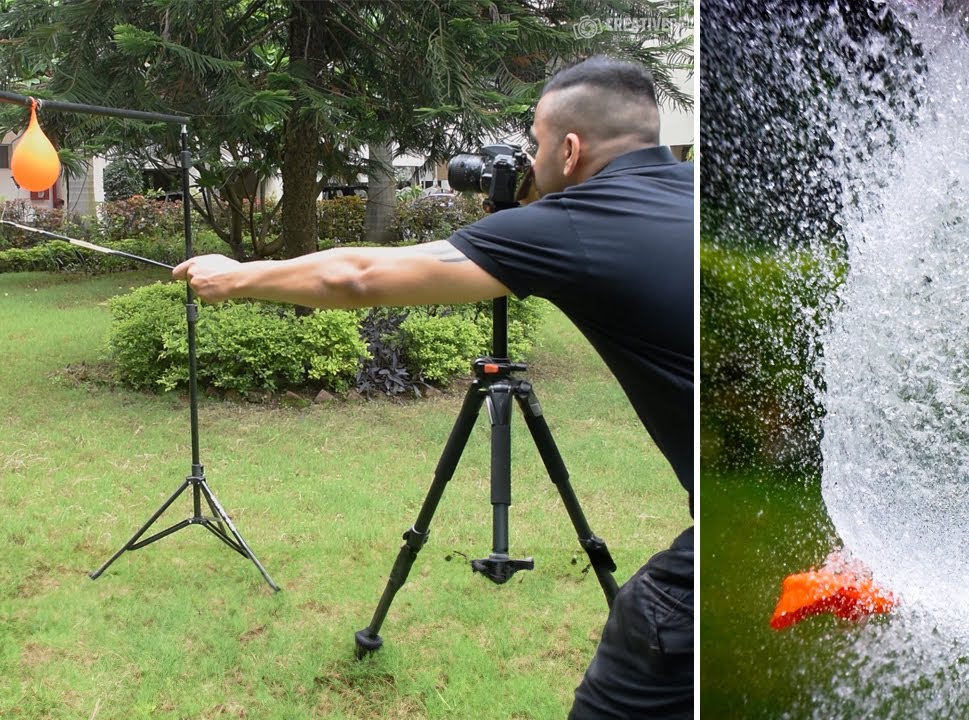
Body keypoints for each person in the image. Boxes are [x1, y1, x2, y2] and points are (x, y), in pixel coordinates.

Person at [172, 55, 694, 719]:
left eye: (536, 143)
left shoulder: (575, 225)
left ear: (569, 147)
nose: (531, 160)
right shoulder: (690, 190)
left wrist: (237, 276)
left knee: (644, 642)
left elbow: (357, 277)